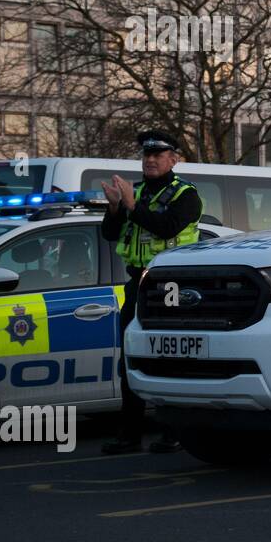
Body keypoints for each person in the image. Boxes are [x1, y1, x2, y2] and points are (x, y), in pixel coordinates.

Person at [100, 130, 204, 455]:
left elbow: (167, 227)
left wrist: (132, 205)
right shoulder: (137, 191)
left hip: (172, 284)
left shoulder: (186, 194)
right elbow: (110, 234)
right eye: (146, 155)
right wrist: (116, 208)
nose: (150, 160)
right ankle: (130, 434)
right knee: (130, 358)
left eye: (158, 155)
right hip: (139, 283)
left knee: (169, 356)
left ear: (173, 159)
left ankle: (173, 432)